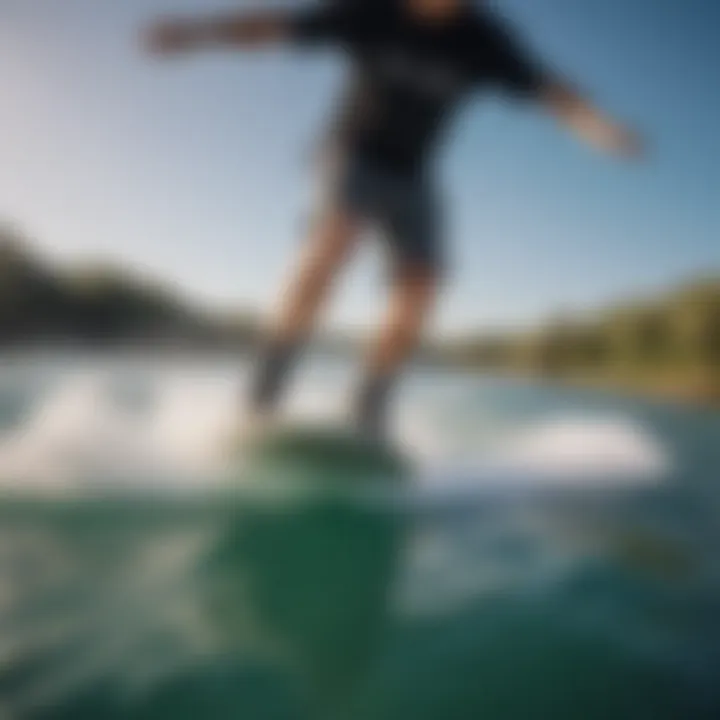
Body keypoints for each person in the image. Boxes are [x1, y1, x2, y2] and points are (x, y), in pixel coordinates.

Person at [145, 0, 643, 442]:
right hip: (352, 155)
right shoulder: (373, 12)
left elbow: (547, 90)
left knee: (423, 284)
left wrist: (597, 127)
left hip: (413, 177)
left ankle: (369, 405)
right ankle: (264, 391)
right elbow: (281, 26)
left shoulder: (485, 38)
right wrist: (196, 34)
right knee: (334, 243)